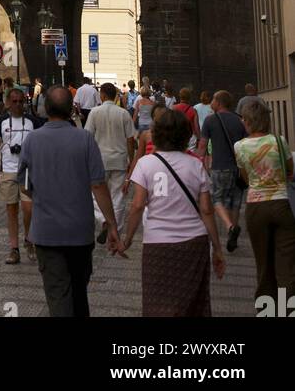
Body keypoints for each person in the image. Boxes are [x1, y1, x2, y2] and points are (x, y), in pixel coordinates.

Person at [16, 86, 124, 317]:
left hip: (47, 232)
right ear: (71, 109)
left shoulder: (32, 140)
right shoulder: (85, 140)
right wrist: (112, 224)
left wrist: (42, 195)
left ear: (45, 109)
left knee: (58, 295)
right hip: (80, 232)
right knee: (78, 292)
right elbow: (98, 185)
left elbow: (24, 184)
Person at [123, 107, 225, 317]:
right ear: (185, 136)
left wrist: (128, 238)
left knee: (157, 303)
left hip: (157, 244)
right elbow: (206, 210)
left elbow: (138, 205)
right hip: (194, 243)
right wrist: (217, 248)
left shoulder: (145, 164)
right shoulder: (196, 165)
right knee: (194, 304)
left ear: (156, 133)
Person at [234, 96, 295, 304]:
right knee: (287, 264)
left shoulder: (240, 146)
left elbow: (245, 177)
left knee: (263, 263)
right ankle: (288, 309)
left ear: (249, 121)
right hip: (281, 204)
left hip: (256, 207)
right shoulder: (279, 141)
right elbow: (289, 171)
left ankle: (267, 309)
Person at [0, 87, 35, 264]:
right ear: (7, 103)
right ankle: (14, 248)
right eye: (14, 101)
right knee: (11, 210)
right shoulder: (2, 121)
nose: (18, 105)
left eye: (21, 101)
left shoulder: (32, 122)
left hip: (28, 171)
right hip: (9, 170)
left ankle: (29, 239)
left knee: (29, 209)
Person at [196, 90, 247, 252]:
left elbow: (202, 146)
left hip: (219, 167)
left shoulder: (211, 121)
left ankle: (230, 226)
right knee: (235, 202)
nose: (211, 101)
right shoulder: (240, 120)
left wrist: (198, 166)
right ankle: (234, 234)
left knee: (216, 199)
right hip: (238, 169)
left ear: (218, 102)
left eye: (213, 99)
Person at [86, 82, 136, 242]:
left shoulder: (94, 113)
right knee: (118, 196)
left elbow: (88, 137)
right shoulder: (124, 114)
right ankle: (116, 229)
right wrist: (131, 159)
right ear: (115, 96)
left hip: (100, 160)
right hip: (120, 160)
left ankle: (104, 220)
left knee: (96, 195)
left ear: (102, 95)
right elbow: (130, 140)